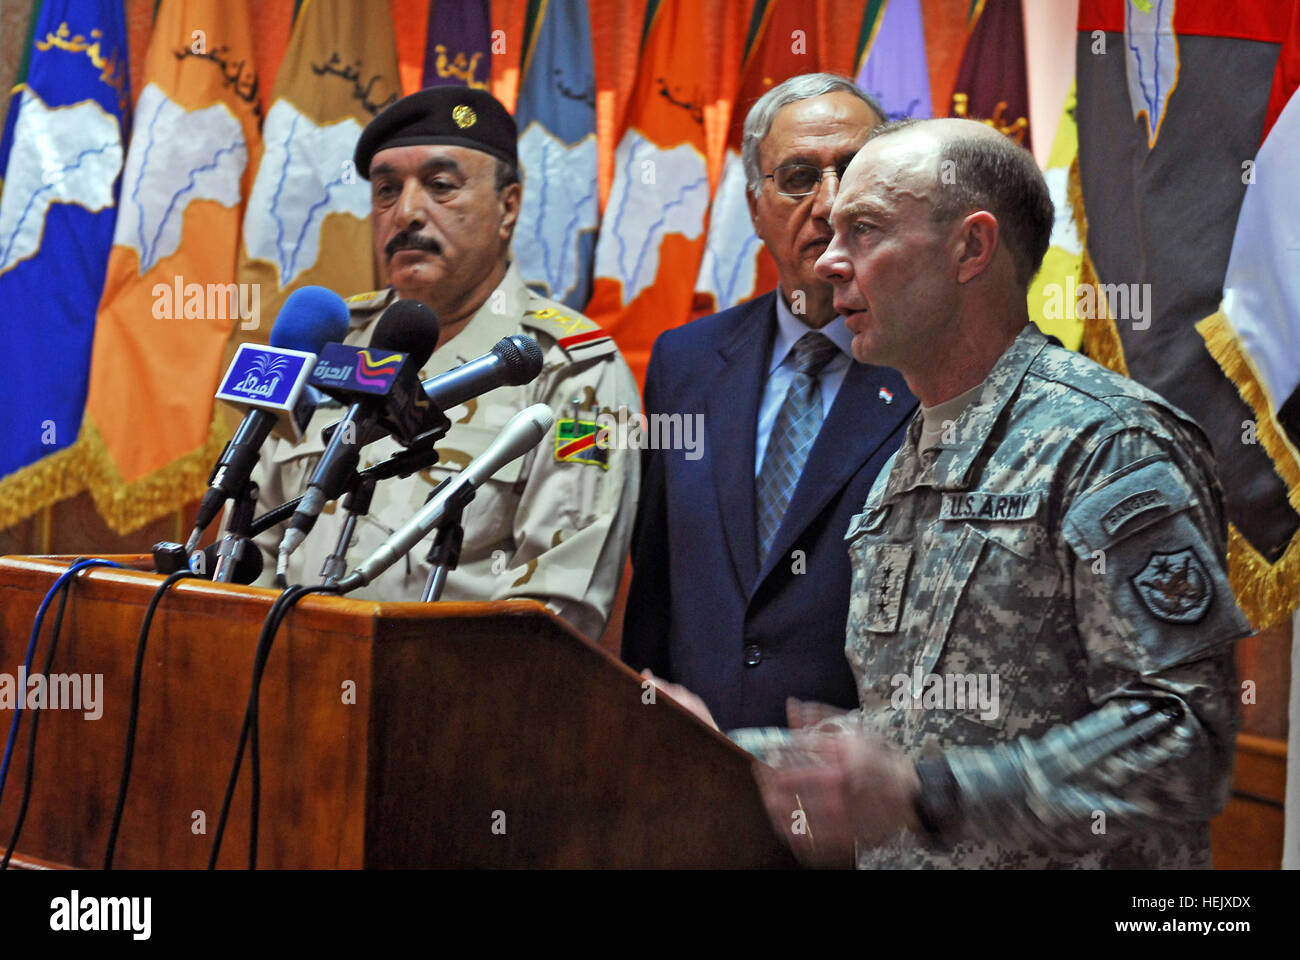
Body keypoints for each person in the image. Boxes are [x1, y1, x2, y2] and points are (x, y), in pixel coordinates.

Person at [753, 117, 1251, 869]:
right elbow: (918, 734)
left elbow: (1185, 732)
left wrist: (933, 796)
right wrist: (721, 746)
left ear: (971, 248)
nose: (827, 262)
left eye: (864, 230)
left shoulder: (1106, 443)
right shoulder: (905, 464)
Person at [242, 87, 640, 641]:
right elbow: (245, 555)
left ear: (509, 207)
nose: (406, 213)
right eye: (386, 191)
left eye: (440, 186)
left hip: (451, 713)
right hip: (287, 694)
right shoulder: (327, 342)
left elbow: (554, 615)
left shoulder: (574, 374)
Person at [621, 74, 916, 732]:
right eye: (799, 177)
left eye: (854, 170)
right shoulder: (685, 362)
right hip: (698, 775)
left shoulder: (937, 364)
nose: (831, 201)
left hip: (871, 800)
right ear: (755, 209)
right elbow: (656, 585)